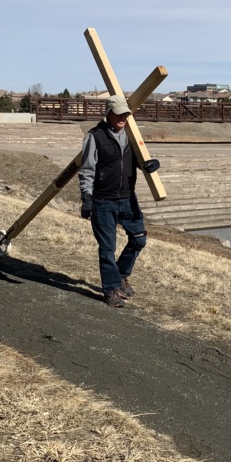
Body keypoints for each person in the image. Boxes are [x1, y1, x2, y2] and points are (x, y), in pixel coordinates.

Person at [79, 95, 160, 307]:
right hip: (103, 201)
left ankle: (122, 274)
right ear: (109, 113)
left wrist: (150, 164)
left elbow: (141, 159)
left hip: (127, 198)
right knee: (107, 247)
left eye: (126, 113)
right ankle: (111, 290)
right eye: (119, 113)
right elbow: (87, 169)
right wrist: (86, 198)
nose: (123, 117)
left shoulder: (132, 136)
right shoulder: (94, 136)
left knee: (139, 239)